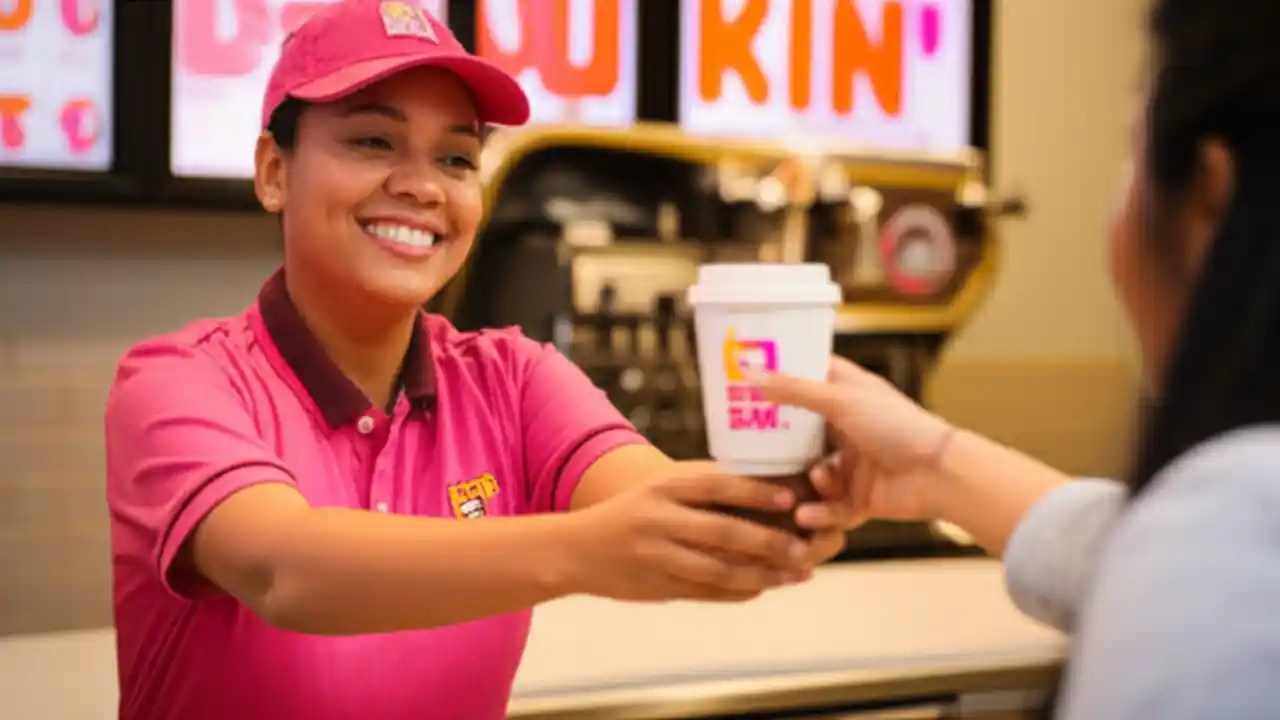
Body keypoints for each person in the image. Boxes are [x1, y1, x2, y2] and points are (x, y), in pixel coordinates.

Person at [103, 2, 847, 718]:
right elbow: (286, 571)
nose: (423, 186)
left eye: (456, 157)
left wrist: (801, 495)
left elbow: (658, 508)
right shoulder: (178, 382)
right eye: (372, 141)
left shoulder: (513, 380)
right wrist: (587, 551)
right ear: (273, 172)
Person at [751, 0, 1280, 716]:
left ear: (1209, 203)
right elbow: (1127, 557)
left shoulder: (1228, 541)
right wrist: (936, 463)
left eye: (1130, 155)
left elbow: (1195, 578)